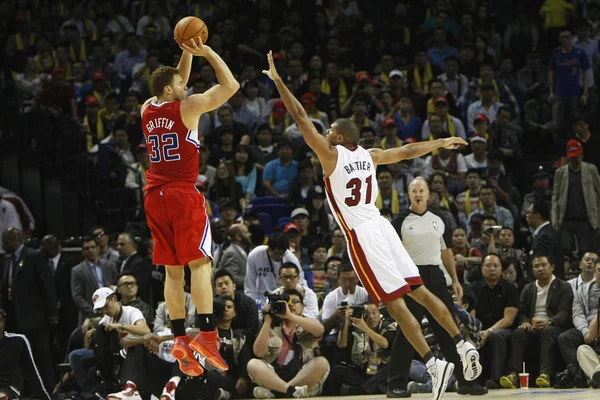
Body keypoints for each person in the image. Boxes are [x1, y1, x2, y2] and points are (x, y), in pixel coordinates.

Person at [263, 51, 480, 400]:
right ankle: (461, 343)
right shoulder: (370, 155)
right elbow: (408, 153)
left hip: (363, 233)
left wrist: (278, 81)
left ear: (340, 137)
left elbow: (301, 116)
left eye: (331, 129)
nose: (327, 130)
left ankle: (434, 364)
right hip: (383, 226)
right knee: (421, 292)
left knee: (395, 305)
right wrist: (439, 143)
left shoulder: (330, 154)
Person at [140, 35, 239, 376]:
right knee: (199, 265)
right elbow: (231, 85)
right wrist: (209, 52)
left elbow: (171, 83)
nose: (186, 85)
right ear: (171, 90)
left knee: (172, 270)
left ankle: (181, 337)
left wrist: (185, 53)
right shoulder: (190, 106)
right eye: (181, 83)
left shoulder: (147, 108)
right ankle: (208, 334)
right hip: (182, 194)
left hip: (154, 195)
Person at [390, 177, 487, 396]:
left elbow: (445, 251)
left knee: (449, 329)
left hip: (436, 276)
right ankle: (395, 384)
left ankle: (466, 382)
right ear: (408, 194)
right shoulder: (400, 220)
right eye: (414, 190)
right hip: (410, 277)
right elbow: (392, 253)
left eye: (421, 190)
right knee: (407, 330)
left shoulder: (439, 218)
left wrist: (455, 279)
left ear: (427, 194)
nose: (418, 193)